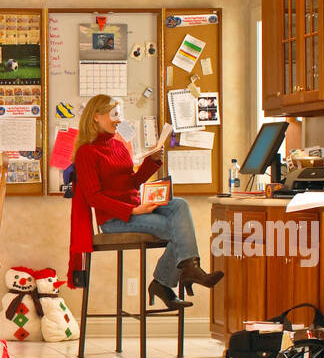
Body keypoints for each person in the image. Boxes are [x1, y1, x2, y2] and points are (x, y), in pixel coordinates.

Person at [69, 93, 222, 310]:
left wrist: (153, 161)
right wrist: (134, 210)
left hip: (136, 209)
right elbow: (95, 198)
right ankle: (169, 279)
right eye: (114, 114)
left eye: (119, 114)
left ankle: (183, 271)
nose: (119, 119)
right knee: (175, 229)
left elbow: (132, 183)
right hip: (115, 220)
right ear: (95, 117)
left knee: (179, 205)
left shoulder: (119, 145)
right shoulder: (87, 152)